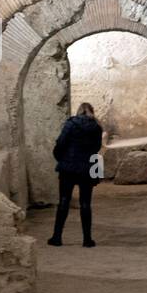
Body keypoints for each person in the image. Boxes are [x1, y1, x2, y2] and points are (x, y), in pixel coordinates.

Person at [48, 102, 103, 248]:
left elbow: (60, 143)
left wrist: (61, 158)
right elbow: (97, 148)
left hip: (68, 167)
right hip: (88, 167)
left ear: (79, 111)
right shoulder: (97, 127)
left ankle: (57, 237)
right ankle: (87, 240)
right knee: (85, 203)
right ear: (92, 112)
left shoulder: (71, 123)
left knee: (64, 201)